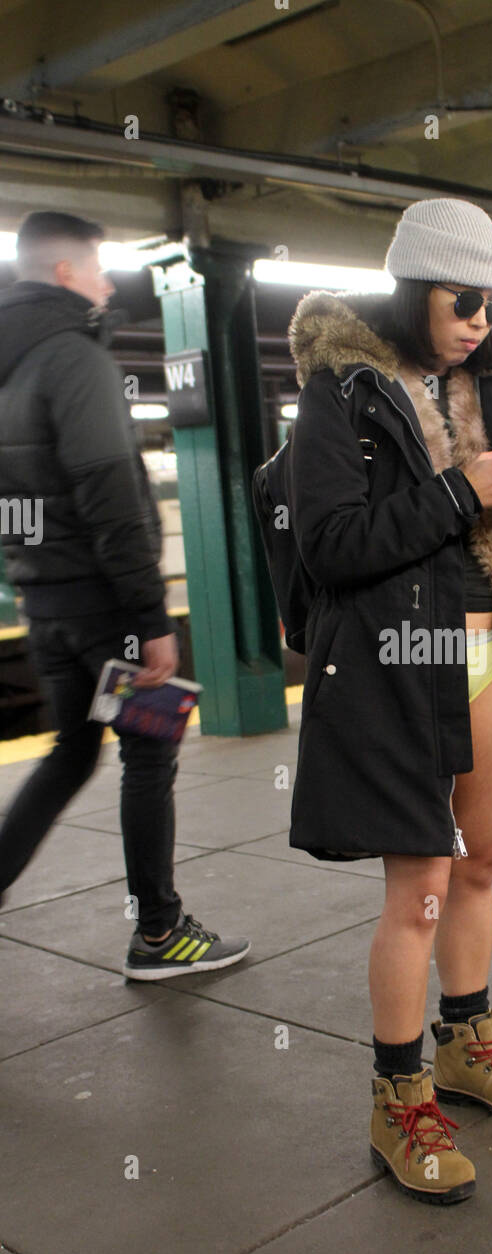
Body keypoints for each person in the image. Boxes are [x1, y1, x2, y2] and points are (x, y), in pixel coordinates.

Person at [285, 198, 492, 1203]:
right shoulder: (342, 388)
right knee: (417, 885)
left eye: (490, 300)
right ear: (416, 284)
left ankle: (468, 1042)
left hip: (490, 647)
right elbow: (329, 545)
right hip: (398, 659)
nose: (478, 317)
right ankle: (396, 1092)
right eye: (463, 298)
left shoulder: (484, 378)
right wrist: (462, 488)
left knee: (480, 865)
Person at [0, 210, 249, 980]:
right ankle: (159, 932)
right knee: (151, 753)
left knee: (73, 751)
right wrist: (150, 621)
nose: (109, 285)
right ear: (68, 271)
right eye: (102, 269)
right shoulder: (73, 358)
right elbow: (110, 497)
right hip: (111, 612)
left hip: (46, 603)